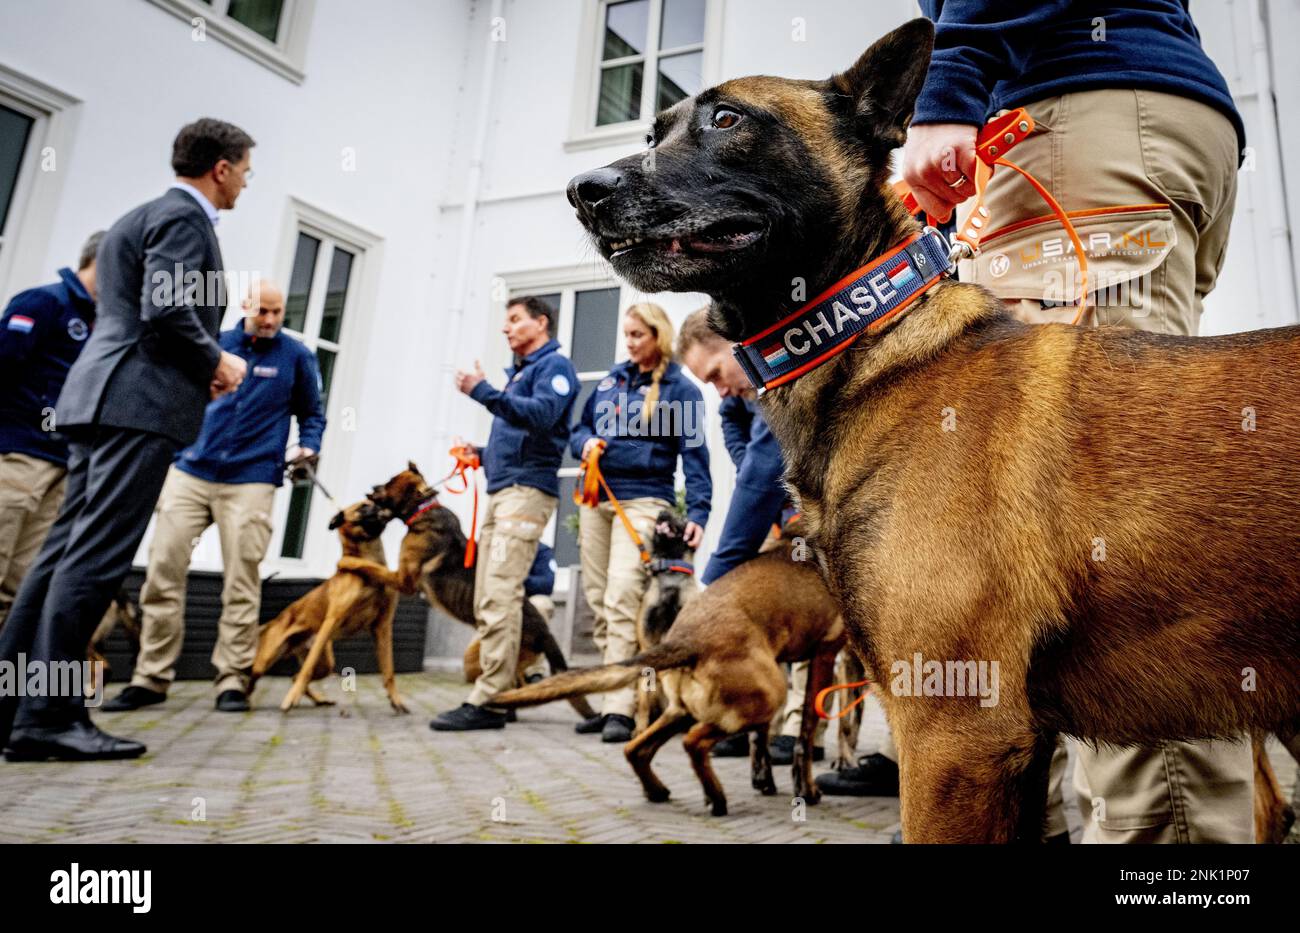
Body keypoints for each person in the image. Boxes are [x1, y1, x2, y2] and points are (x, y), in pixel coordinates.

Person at [893, 0, 1252, 842]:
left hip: (1075, 120)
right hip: (1117, 125)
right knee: (1055, 544)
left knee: (1114, 565)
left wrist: (951, 83)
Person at [0, 118, 254, 761]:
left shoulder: (135, 217)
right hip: (134, 407)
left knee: (59, 558)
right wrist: (215, 363)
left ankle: (14, 708)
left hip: (99, 399)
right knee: (94, 560)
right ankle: (50, 717)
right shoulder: (183, 219)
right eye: (246, 168)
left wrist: (196, 362)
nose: (247, 181)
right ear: (220, 167)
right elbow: (168, 311)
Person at [103, 279, 325, 714]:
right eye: (263, 311)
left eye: (278, 312)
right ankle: (151, 677)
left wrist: (308, 446)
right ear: (245, 305)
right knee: (163, 568)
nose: (271, 320)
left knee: (242, 579)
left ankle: (232, 678)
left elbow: (312, 412)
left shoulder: (296, 356)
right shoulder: (213, 345)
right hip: (191, 469)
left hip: (253, 478)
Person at [678, 308, 823, 762]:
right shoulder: (744, 386)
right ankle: (757, 719)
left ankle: (806, 737)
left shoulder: (780, 363)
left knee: (816, 628)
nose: (720, 390)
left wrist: (713, 581)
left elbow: (763, 470)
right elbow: (747, 447)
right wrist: (753, 467)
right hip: (784, 515)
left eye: (718, 373)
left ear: (737, 340)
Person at [431, 296, 578, 731]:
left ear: (541, 322)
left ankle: (491, 699)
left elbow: (542, 417)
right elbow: (519, 433)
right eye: (506, 321)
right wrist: (481, 453)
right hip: (503, 489)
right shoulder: (523, 374)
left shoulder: (555, 369)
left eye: (515, 320)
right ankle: (505, 688)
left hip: (525, 494)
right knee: (490, 597)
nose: (506, 329)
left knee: (498, 594)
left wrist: (481, 390)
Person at [570, 303, 711, 743]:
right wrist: (586, 442)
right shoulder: (613, 380)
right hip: (598, 497)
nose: (629, 344)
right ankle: (614, 688)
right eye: (626, 335)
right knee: (598, 597)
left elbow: (695, 457)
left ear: (658, 336)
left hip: (646, 501)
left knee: (623, 596)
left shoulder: (678, 389)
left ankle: (621, 710)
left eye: (637, 335)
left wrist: (699, 513)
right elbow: (576, 429)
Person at [0, 231, 104, 628]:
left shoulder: (102, 324)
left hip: (63, 466)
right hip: (18, 457)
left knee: (18, 586)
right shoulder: (44, 302)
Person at [520, 541, 557, 683]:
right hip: (507, 596)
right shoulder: (500, 545)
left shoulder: (542, 550)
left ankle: (534, 671)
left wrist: (521, 579)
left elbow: (547, 583)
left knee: (539, 605)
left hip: (531, 597)